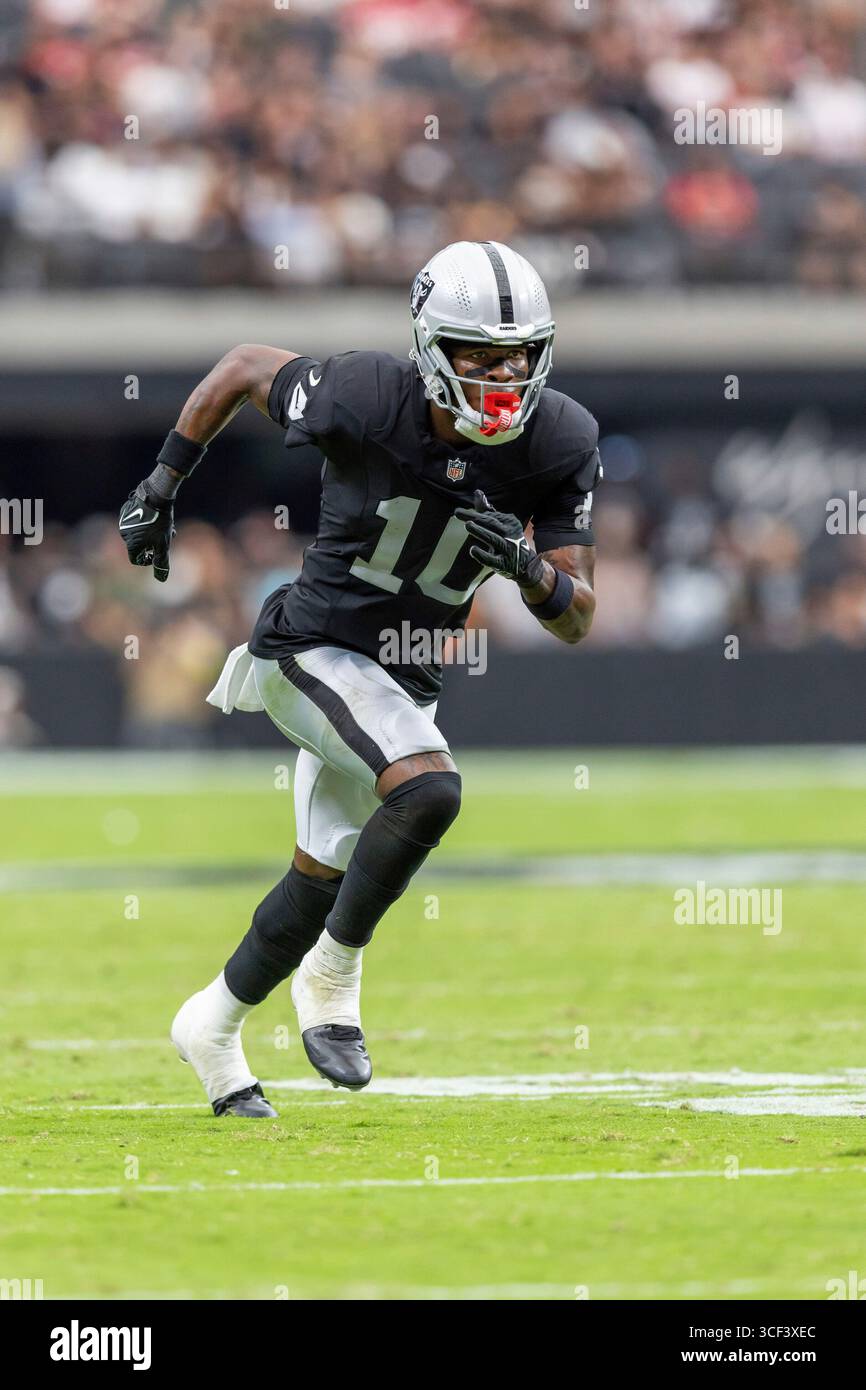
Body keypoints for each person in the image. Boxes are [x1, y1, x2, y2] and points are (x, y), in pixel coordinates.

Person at [118, 240, 601, 1117]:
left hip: (401, 681)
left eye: (516, 355)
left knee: (319, 876)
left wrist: (531, 572)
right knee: (430, 790)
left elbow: (577, 617)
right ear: (430, 349)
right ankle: (332, 983)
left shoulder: (563, 437)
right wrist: (162, 483)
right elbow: (237, 367)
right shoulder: (366, 394)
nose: (501, 374)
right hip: (307, 649)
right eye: (478, 355)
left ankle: (213, 1028)